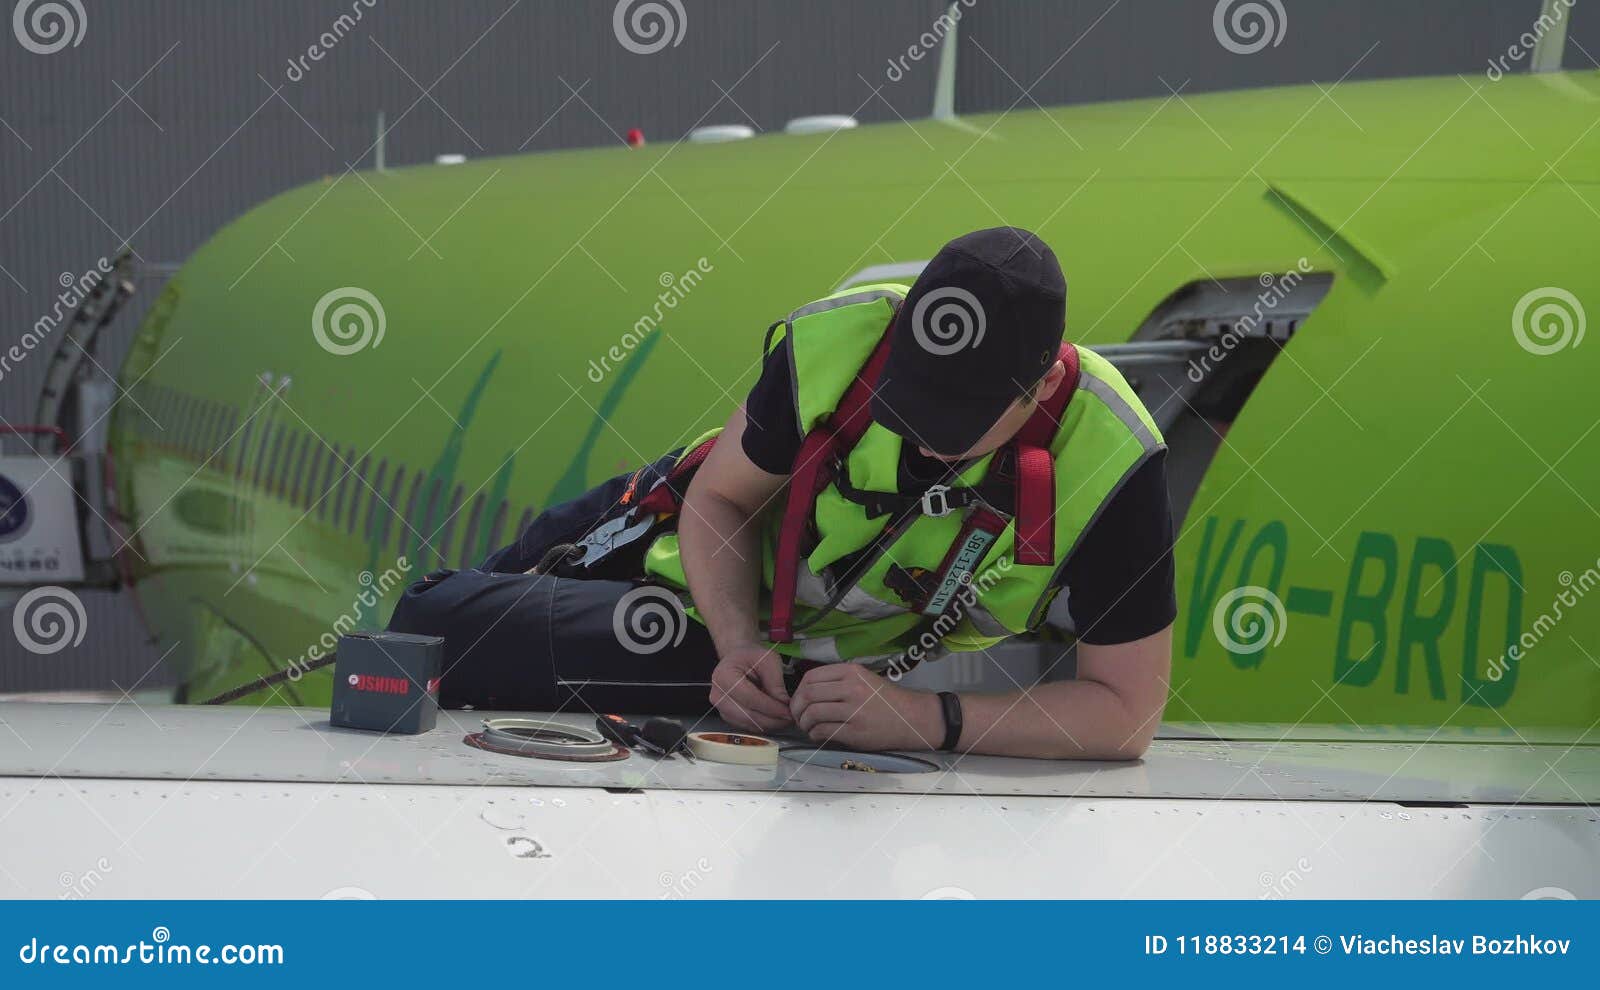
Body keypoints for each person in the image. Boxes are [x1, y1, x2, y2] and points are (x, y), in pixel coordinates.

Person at [390, 227, 1174, 760]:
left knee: (435, 637)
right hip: (683, 562)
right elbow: (721, 499)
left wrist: (928, 721)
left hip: (779, 662)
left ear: (1042, 386)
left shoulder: (1115, 464)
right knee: (417, 638)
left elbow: (1127, 713)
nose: (926, 439)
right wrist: (737, 643)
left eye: (959, 422)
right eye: (912, 404)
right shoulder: (838, 345)